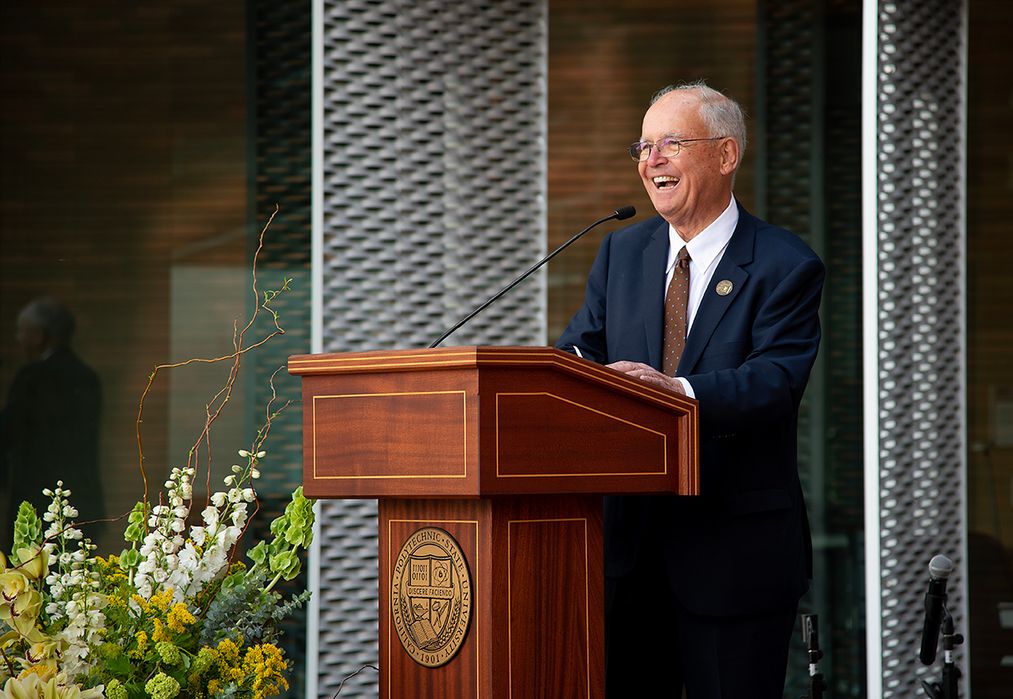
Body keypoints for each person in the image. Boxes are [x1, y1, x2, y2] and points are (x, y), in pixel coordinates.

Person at [556, 81, 825, 697]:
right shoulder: (622, 251)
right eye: (643, 146)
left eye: (670, 143)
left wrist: (673, 391)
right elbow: (579, 354)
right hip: (628, 558)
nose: (651, 160)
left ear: (726, 155)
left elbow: (776, 383)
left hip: (733, 559)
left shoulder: (786, 263)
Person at [0, 298, 103, 551]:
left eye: (21, 331)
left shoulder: (32, 377)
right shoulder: (88, 377)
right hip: (83, 501)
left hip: (36, 500)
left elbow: (8, 433)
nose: (18, 339)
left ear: (38, 335)